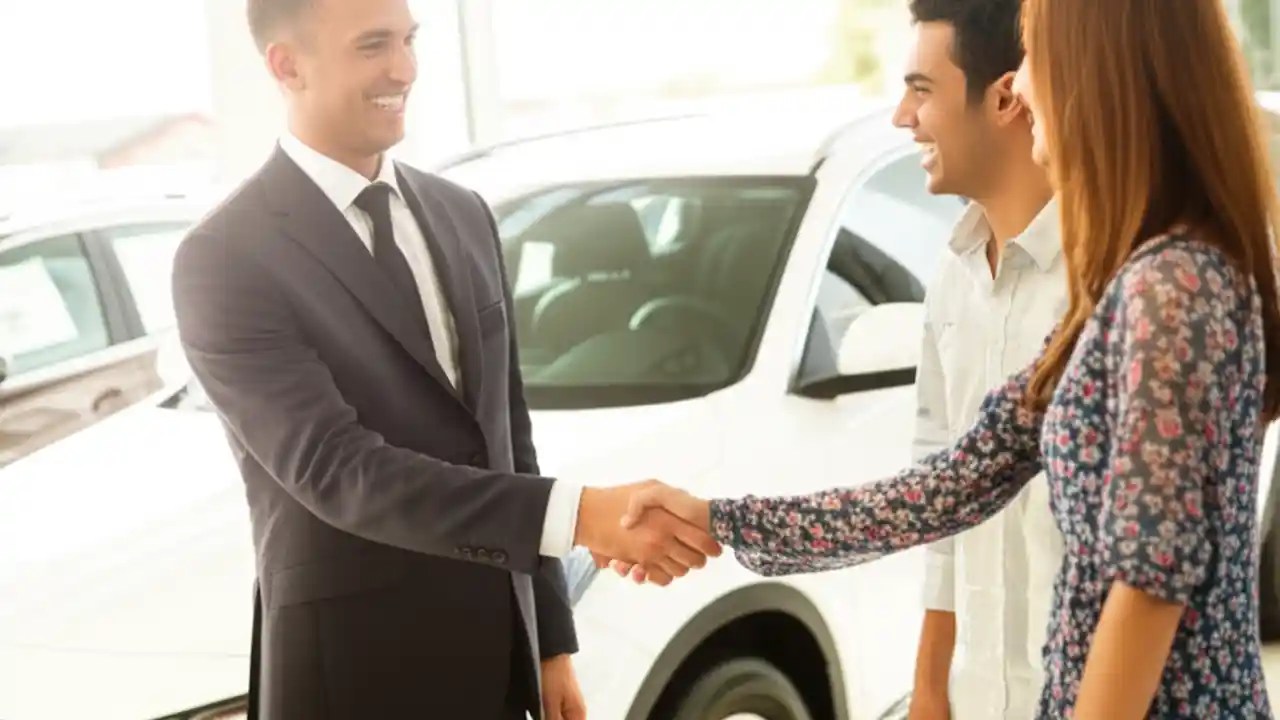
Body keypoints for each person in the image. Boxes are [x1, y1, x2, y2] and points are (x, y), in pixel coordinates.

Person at [617, 0, 1280, 716]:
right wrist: (716, 520)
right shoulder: (1135, 280)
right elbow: (945, 489)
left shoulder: (1173, 285)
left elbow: (1148, 589)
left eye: (1033, 59)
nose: (1021, 87)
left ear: (1099, 76)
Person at [170, 0, 719, 718]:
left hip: (501, 659)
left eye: (409, 40)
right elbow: (340, 471)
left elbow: (507, 440)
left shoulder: (462, 213)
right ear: (286, 65)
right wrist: (583, 515)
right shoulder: (224, 257)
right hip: (353, 676)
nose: (404, 68)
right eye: (373, 46)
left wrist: (550, 640)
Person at [894, 1, 1065, 716]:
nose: (902, 116)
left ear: (1005, 98)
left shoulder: (1115, 281)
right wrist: (932, 690)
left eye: (921, 89)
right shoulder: (951, 277)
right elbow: (938, 497)